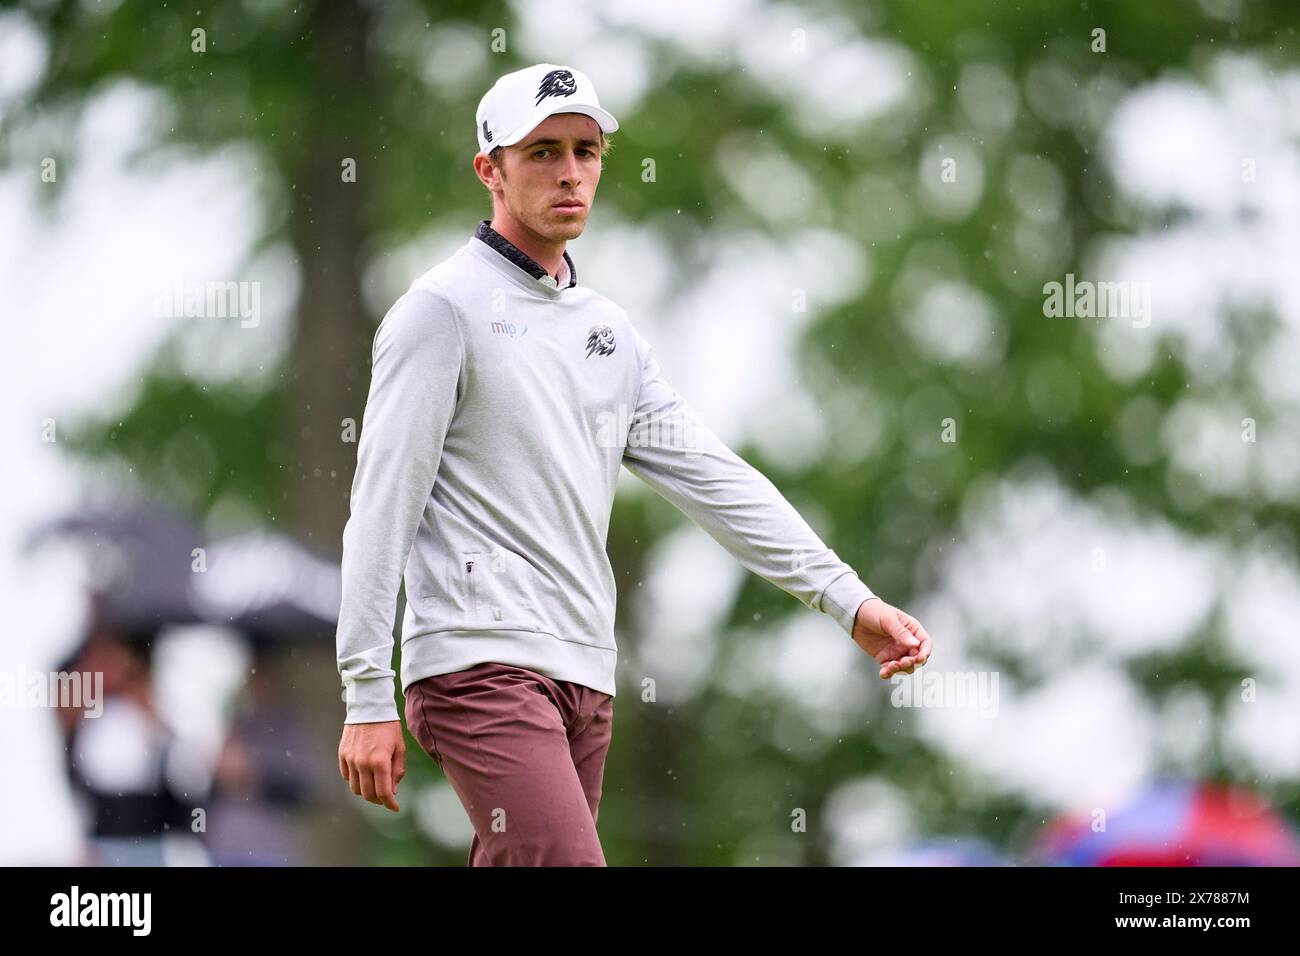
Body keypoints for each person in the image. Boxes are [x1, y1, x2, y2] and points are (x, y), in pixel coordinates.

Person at [335, 63, 933, 866]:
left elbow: (714, 478)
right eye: (542, 151)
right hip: (479, 664)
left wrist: (847, 599)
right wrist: (365, 693)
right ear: (491, 170)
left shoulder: (607, 332)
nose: (571, 172)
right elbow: (382, 505)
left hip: (584, 673)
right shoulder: (440, 312)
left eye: (586, 150)